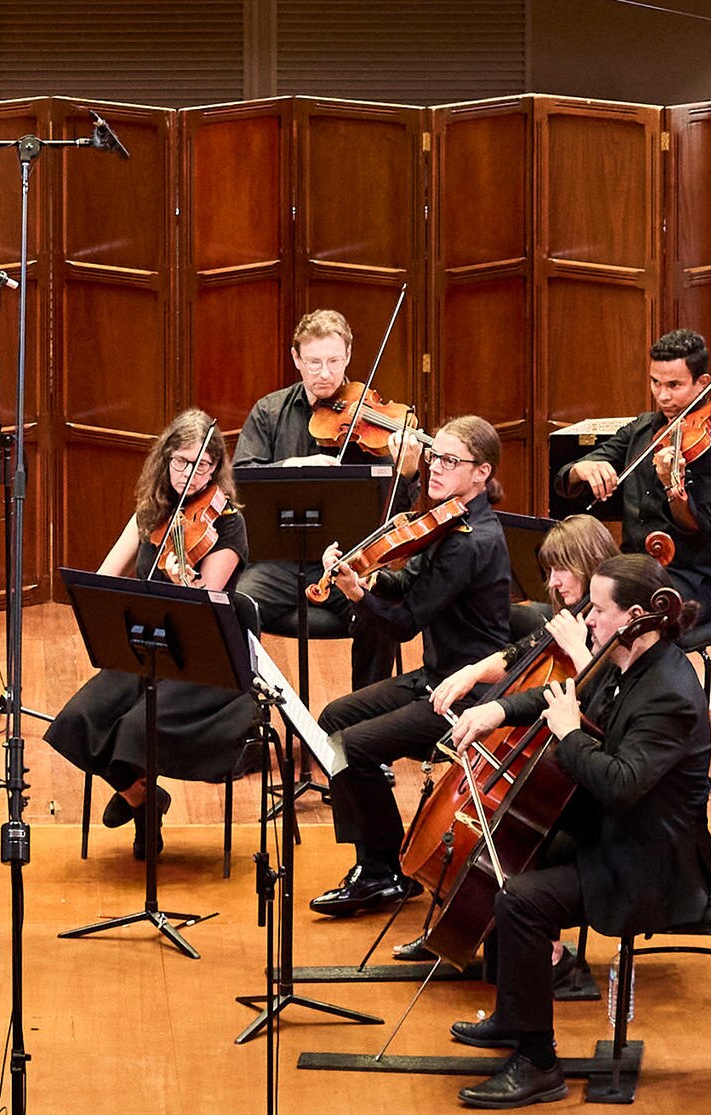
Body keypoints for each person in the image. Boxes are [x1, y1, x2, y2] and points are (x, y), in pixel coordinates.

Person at [447, 558, 711, 1111]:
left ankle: (538, 1064)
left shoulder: (669, 693)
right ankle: (515, 1013)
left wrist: (571, 736)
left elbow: (621, 785)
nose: (586, 618)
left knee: (521, 900)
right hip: (616, 835)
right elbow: (565, 695)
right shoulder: (625, 660)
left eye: (597, 609)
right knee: (514, 847)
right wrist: (497, 709)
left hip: (649, 864)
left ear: (635, 616)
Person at [304, 417, 535, 921]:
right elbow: (406, 584)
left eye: (451, 461)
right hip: (433, 676)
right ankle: (379, 864)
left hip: (464, 695)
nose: (435, 468)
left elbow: (406, 623)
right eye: (434, 456)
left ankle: (383, 872)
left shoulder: (472, 541)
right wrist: (364, 575)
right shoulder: (447, 523)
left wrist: (358, 596)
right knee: (334, 720)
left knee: (352, 747)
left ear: (481, 473)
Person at [45, 411, 264, 856]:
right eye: (181, 462)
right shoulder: (151, 513)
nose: (190, 474)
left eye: (202, 465)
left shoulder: (226, 524)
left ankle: (143, 811)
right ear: (166, 459)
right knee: (78, 723)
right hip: (146, 649)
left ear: (216, 467)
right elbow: (103, 579)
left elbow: (205, 607)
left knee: (132, 730)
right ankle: (144, 800)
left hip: (201, 664)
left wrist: (184, 582)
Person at [231, 310, 426, 684]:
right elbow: (242, 481)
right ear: (296, 359)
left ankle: (364, 714)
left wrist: (407, 473)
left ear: (348, 356)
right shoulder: (269, 412)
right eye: (314, 362)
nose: (325, 374)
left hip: (349, 561)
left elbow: (394, 516)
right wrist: (296, 465)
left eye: (334, 361)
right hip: (279, 562)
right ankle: (248, 708)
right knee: (239, 605)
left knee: (378, 613)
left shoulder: (371, 420)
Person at [560, 331, 711, 623]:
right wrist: (581, 469)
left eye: (674, 385)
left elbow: (700, 529)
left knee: (618, 617)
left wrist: (673, 487)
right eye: (655, 383)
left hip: (691, 581)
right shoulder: (642, 429)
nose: (662, 396)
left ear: (703, 382)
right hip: (634, 569)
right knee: (577, 604)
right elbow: (570, 477)